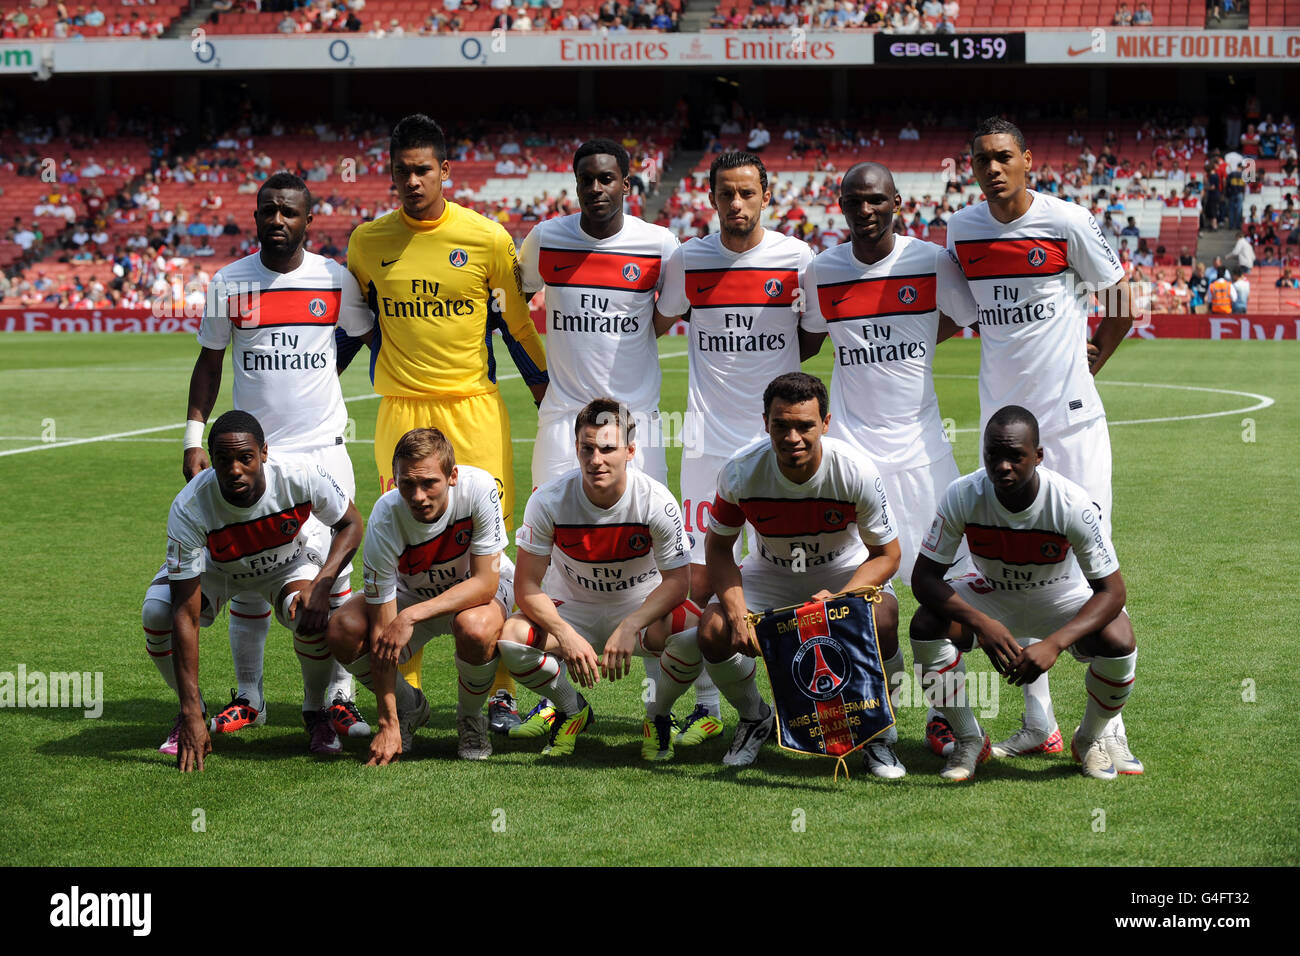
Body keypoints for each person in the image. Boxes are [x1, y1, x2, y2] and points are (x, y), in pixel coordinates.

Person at [343, 114, 549, 724]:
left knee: (492, 553)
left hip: (473, 409)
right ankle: (405, 694)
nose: (411, 181)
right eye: (400, 171)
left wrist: (547, 395)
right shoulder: (366, 243)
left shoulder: (487, 238)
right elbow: (354, 329)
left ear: (445, 171)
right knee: (406, 547)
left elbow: (517, 325)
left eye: (422, 170)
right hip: (400, 407)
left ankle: (504, 691)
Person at [945, 117, 1133, 762]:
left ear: (1028, 161)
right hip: (1004, 430)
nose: (992, 169)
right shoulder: (962, 230)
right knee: (1006, 569)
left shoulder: (1067, 220)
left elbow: (1122, 295)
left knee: (1087, 566)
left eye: (1003, 157)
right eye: (981, 160)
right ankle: (1038, 720)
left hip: (1072, 420)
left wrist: (1092, 364)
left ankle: (1108, 728)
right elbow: (957, 309)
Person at [182, 170, 374, 744]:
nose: (277, 221)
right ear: (256, 217)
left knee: (327, 581)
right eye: (267, 211)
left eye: (288, 212)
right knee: (248, 572)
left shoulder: (334, 279)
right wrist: (194, 438)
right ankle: (250, 696)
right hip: (255, 458)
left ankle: (335, 700)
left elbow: (363, 331)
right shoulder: (229, 283)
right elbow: (210, 361)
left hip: (324, 450)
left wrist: (324, 373)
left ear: (308, 220)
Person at [910, 406, 1141, 781]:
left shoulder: (1071, 503)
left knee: (1118, 638)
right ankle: (969, 738)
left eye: (1015, 456)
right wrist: (982, 623)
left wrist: (1054, 643)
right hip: (993, 595)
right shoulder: (963, 494)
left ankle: (1090, 738)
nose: (1003, 466)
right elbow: (924, 579)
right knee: (927, 623)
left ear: (1038, 456)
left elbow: (1112, 592)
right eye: (993, 455)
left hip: (1059, 595)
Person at [694, 372, 902, 771]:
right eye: (781, 425)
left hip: (842, 571)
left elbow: (887, 555)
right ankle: (756, 717)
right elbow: (719, 548)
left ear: (825, 423)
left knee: (883, 616)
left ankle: (878, 731)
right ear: (765, 422)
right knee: (713, 630)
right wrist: (737, 613)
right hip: (771, 571)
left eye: (805, 425)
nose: (793, 437)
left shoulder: (855, 469)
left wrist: (843, 598)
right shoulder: (740, 471)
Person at [143, 411, 364, 771]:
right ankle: (193, 712)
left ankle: (315, 711)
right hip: (220, 569)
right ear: (211, 461)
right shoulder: (189, 506)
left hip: (287, 562)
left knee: (309, 614)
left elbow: (351, 523)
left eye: (245, 458)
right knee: (157, 612)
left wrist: (323, 584)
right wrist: (190, 711)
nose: (234, 470)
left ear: (264, 452)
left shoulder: (299, 474)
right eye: (223, 461)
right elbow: (185, 611)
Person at [496, 399, 702, 760]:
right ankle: (572, 710)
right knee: (512, 638)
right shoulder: (548, 500)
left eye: (608, 449)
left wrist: (629, 625)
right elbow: (526, 585)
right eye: (587, 449)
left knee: (692, 631)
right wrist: (564, 633)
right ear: (576, 449)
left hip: (640, 613)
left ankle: (658, 717)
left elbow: (677, 583)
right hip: (574, 610)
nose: (596, 460)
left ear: (630, 451)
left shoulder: (655, 501)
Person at [801, 161, 976, 585]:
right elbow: (805, 341)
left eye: (876, 199)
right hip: (850, 452)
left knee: (953, 582)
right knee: (847, 583)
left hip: (922, 449)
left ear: (896, 202)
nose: (865, 210)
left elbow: (971, 315)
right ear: (841, 207)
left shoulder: (930, 261)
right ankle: (882, 655)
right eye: (854, 202)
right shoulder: (822, 271)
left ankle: (946, 654)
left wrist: (917, 336)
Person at [325, 428, 513, 763]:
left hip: (475, 593)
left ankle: (470, 718)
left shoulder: (479, 489)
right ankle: (409, 709)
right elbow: (383, 631)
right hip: (412, 591)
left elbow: (485, 583)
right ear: (395, 479)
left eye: (429, 483)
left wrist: (411, 615)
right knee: (344, 629)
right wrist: (388, 722)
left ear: (452, 476)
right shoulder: (385, 517)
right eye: (407, 484)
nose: (418, 495)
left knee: (475, 628)